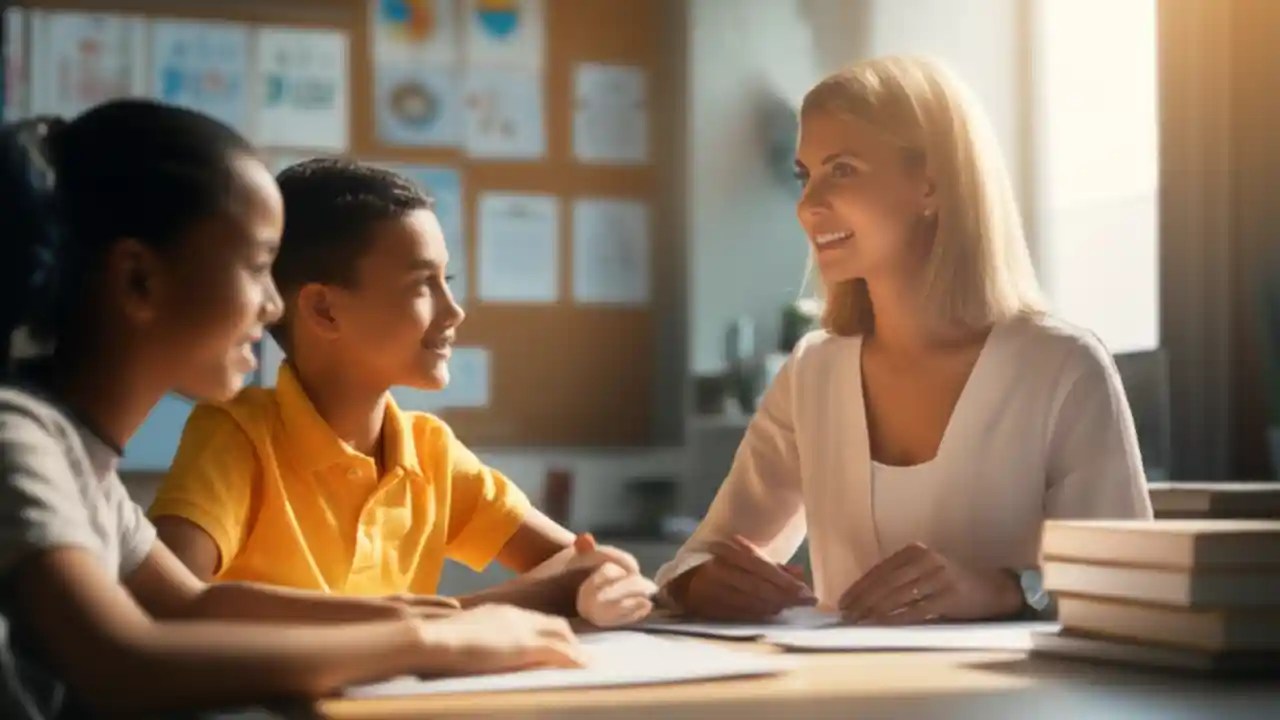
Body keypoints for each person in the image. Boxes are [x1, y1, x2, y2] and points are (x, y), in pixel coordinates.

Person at [0, 101, 583, 717]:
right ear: (139, 280)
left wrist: (446, 619)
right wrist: (430, 640)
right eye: (256, 268)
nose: (275, 306)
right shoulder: (17, 440)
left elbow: (198, 605)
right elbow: (128, 660)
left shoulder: (82, 464)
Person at [655, 56, 1153, 625]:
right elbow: (697, 560)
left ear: (931, 185)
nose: (809, 203)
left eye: (841, 169)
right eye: (804, 174)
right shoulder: (813, 371)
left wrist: (1006, 591)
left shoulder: (1063, 368)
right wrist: (701, 586)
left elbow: (1135, 592)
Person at [150, 159, 656, 628]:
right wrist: (484, 613)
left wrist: (605, 578)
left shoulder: (429, 452)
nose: (454, 311)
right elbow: (170, 610)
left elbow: (577, 562)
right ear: (324, 310)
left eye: (447, 280)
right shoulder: (237, 437)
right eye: (421, 285)